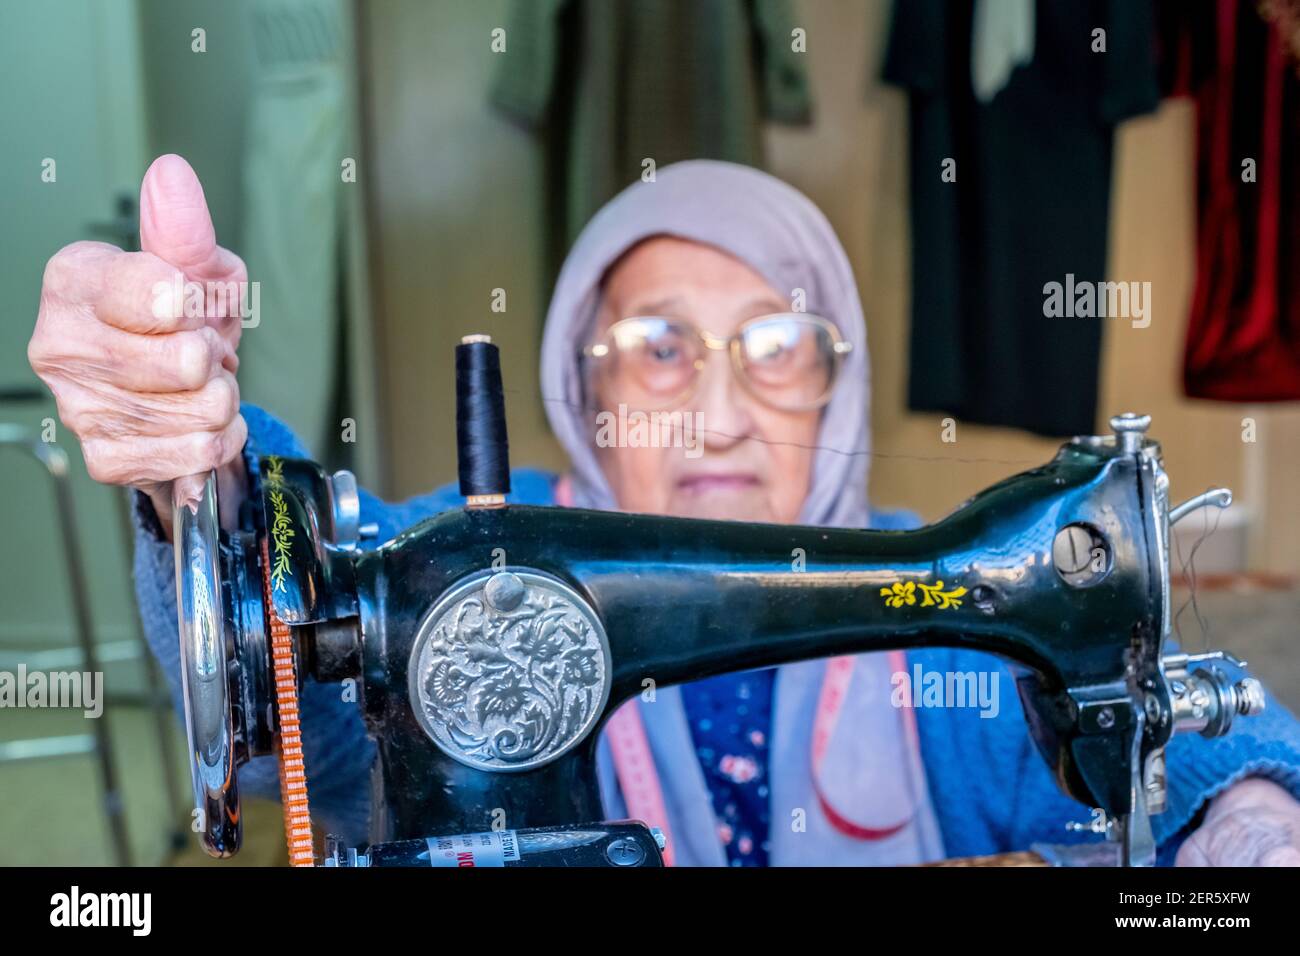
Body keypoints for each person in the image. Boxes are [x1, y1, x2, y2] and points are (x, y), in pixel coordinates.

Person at [28, 154, 1300, 866]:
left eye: (780, 343)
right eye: (655, 345)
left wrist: (1245, 811)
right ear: (577, 384)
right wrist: (191, 461)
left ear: (838, 374)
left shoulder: (951, 614)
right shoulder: (460, 570)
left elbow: (1159, 726)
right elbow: (288, 666)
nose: (722, 410)